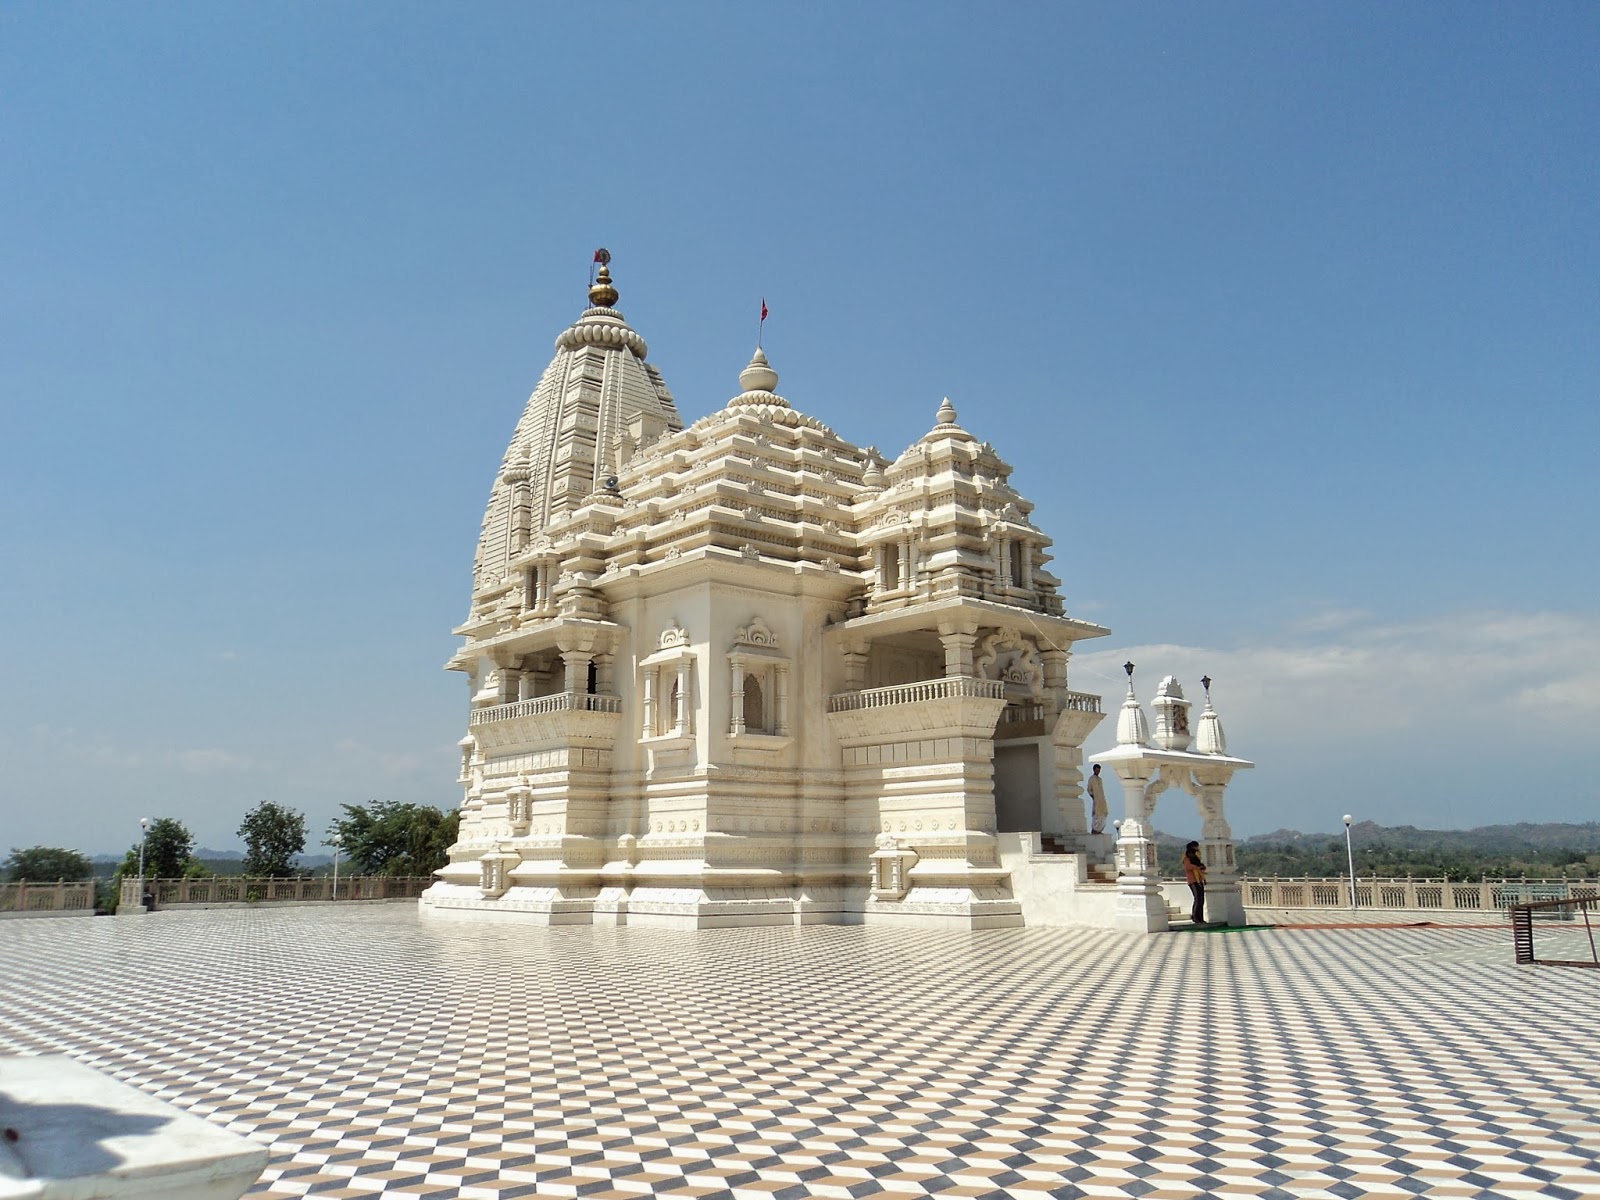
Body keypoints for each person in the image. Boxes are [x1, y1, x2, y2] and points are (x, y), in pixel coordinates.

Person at [1183, 841, 1207, 924]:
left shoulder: (1196, 857)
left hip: (1199, 879)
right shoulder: (1186, 857)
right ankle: (1195, 917)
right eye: (1196, 847)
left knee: (1201, 899)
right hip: (1193, 880)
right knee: (1197, 898)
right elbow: (1188, 866)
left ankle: (1200, 918)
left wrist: (1201, 867)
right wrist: (1197, 867)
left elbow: (1200, 865)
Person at [1087, 764, 1107, 834]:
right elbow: (1089, 789)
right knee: (1096, 815)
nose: (1098, 771)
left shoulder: (1100, 779)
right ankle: (1094, 829)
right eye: (1096, 770)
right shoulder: (1091, 779)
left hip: (1102, 800)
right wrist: (1093, 797)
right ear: (1094, 770)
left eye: (1099, 770)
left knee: (1102, 815)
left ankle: (1099, 830)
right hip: (1096, 800)